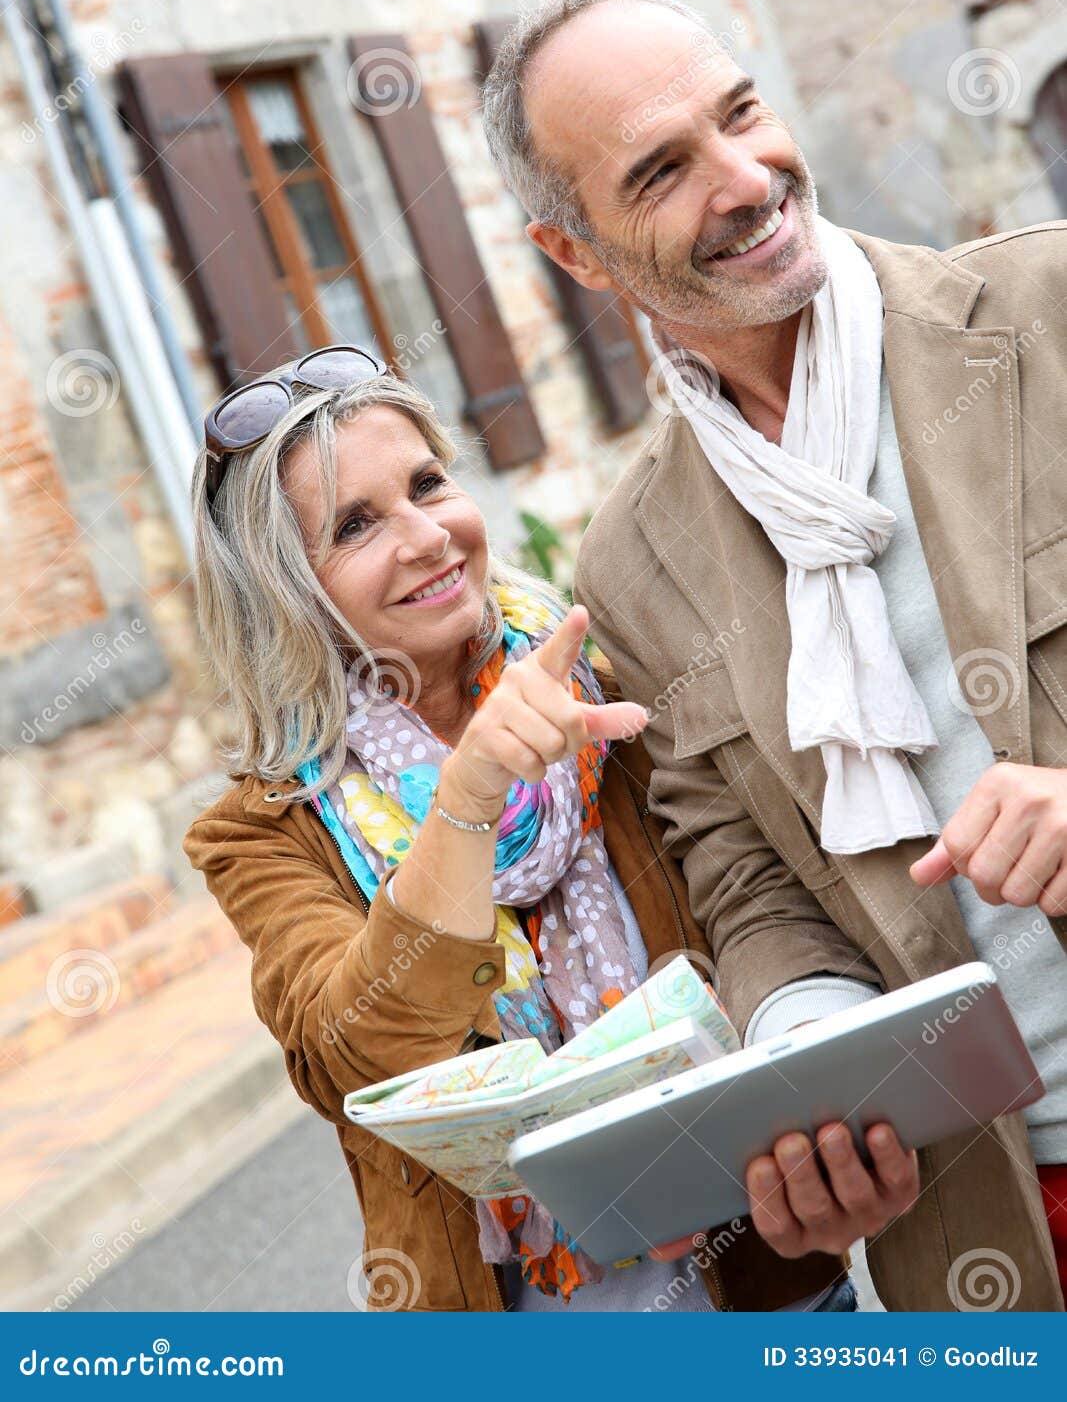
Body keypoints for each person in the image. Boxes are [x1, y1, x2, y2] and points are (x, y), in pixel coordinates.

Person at [481, 0, 1067, 1312]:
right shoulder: (631, 559)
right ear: (568, 250)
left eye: (740, 113)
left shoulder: (1044, 312)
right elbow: (744, 881)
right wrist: (805, 1061)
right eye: (660, 170)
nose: (743, 176)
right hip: (990, 1225)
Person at [182, 347, 854, 1312]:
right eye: (356, 525)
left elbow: (762, 912)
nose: (426, 537)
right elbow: (356, 1053)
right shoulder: (264, 829)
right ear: (287, 591)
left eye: (427, 484)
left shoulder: (609, 694)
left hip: (766, 1287)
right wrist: (469, 793)